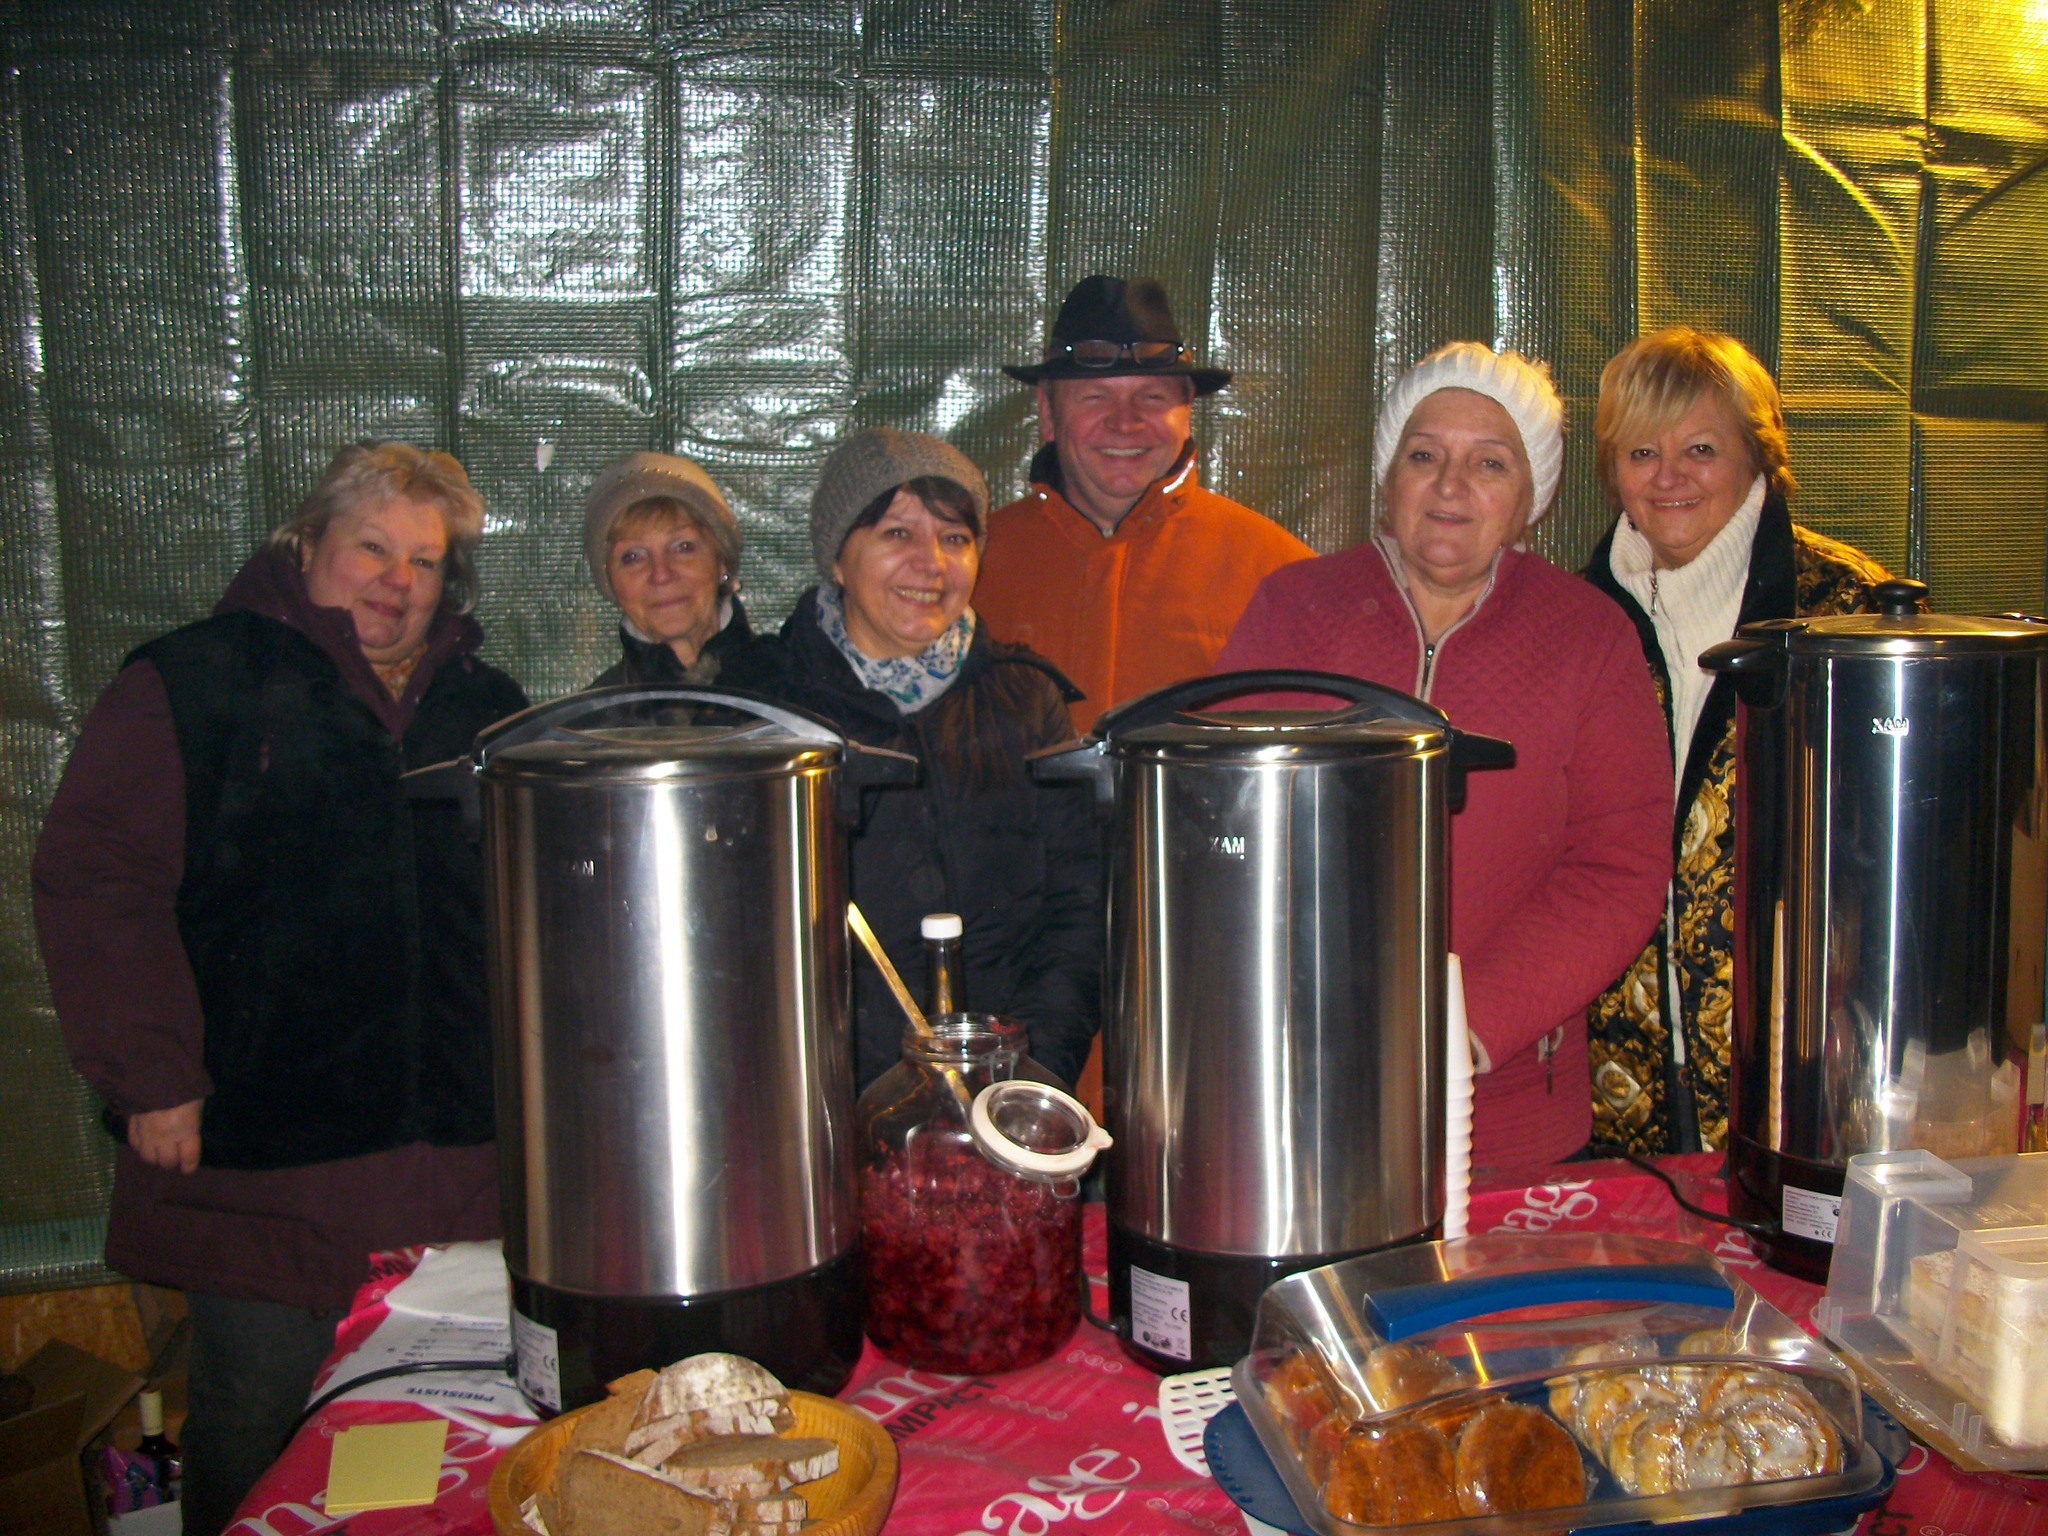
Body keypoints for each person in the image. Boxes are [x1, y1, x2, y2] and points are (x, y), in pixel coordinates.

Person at [33, 443, 528, 1536]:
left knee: (437, 1431)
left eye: (426, 560)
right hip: (264, 1159)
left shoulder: (486, 705)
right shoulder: (194, 681)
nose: (398, 580)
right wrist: (152, 1073)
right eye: (372, 548)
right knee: (261, 1420)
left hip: (456, 1157)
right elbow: (95, 877)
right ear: (305, 546)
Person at [1217, 343, 1671, 1184]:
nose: (1452, 486)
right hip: (1302, 1101)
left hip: (1508, 1116)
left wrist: (1466, 1024)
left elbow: (1620, 867)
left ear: (1531, 497)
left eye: (1489, 463)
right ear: (1390, 478)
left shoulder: (1589, 636)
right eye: (1425, 456)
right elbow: (1219, 829)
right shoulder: (1294, 610)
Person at [1581, 326, 1889, 1156]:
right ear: (1613, 471)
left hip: (1804, 1055)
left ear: (1759, 455)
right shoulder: (1573, 618)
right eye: (1642, 451)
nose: (1669, 476)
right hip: (1611, 1074)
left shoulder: (1846, 612)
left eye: (1701, 448)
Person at [731, 427, 1100, 1092]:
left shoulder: (1026, 699)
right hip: (818, 1114)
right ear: (838, 558)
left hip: (1002, 1097)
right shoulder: (762, 708)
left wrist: (1028, 1074)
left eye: (954, 538)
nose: (931, 563)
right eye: (897, 533)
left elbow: (1080, 906)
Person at [974, 274, 1311, 735]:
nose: (1125, 423)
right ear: (1049, 413)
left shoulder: (1280, 575)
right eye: (1095, 396)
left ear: (1187, 409)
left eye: (1151, 397)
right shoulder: (968, 570)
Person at [583, 450, 754, 687]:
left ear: (721, 561)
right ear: (609, 581)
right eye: (632, 557)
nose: (661, 574)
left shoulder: (796, 695)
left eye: (683, 547)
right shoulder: (590, 720)